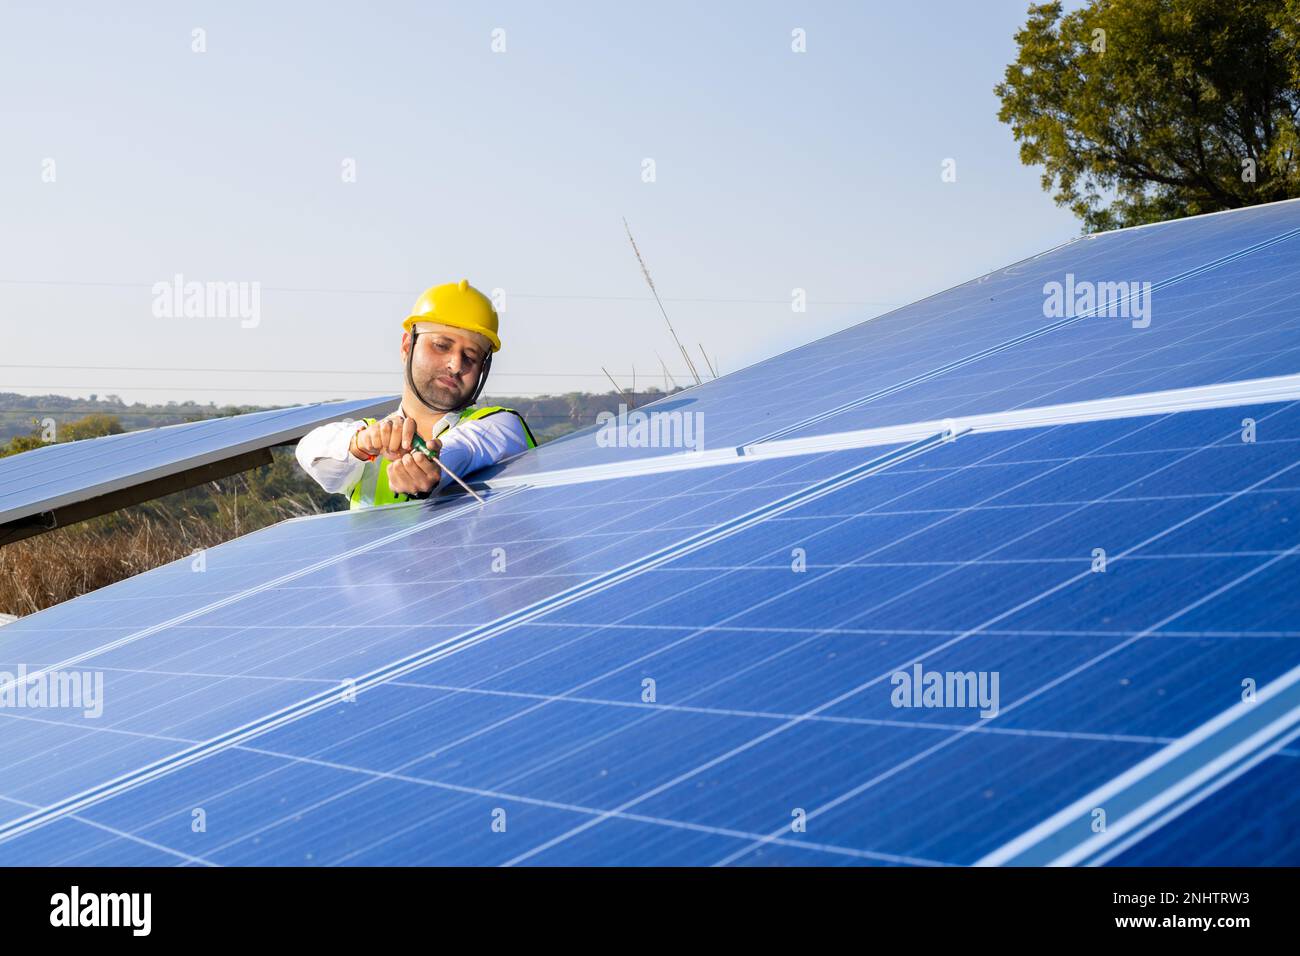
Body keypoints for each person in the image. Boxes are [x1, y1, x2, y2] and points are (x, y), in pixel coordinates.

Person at [295, 279, 536, 507]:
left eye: (471, 357)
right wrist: (361, 443)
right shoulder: (367, 439)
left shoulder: (501, 426)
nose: (455, 364)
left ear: (482, 369)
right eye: (441, 346)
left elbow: (467, 449)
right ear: (407, 347)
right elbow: (312, 452)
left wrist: (431, 464)